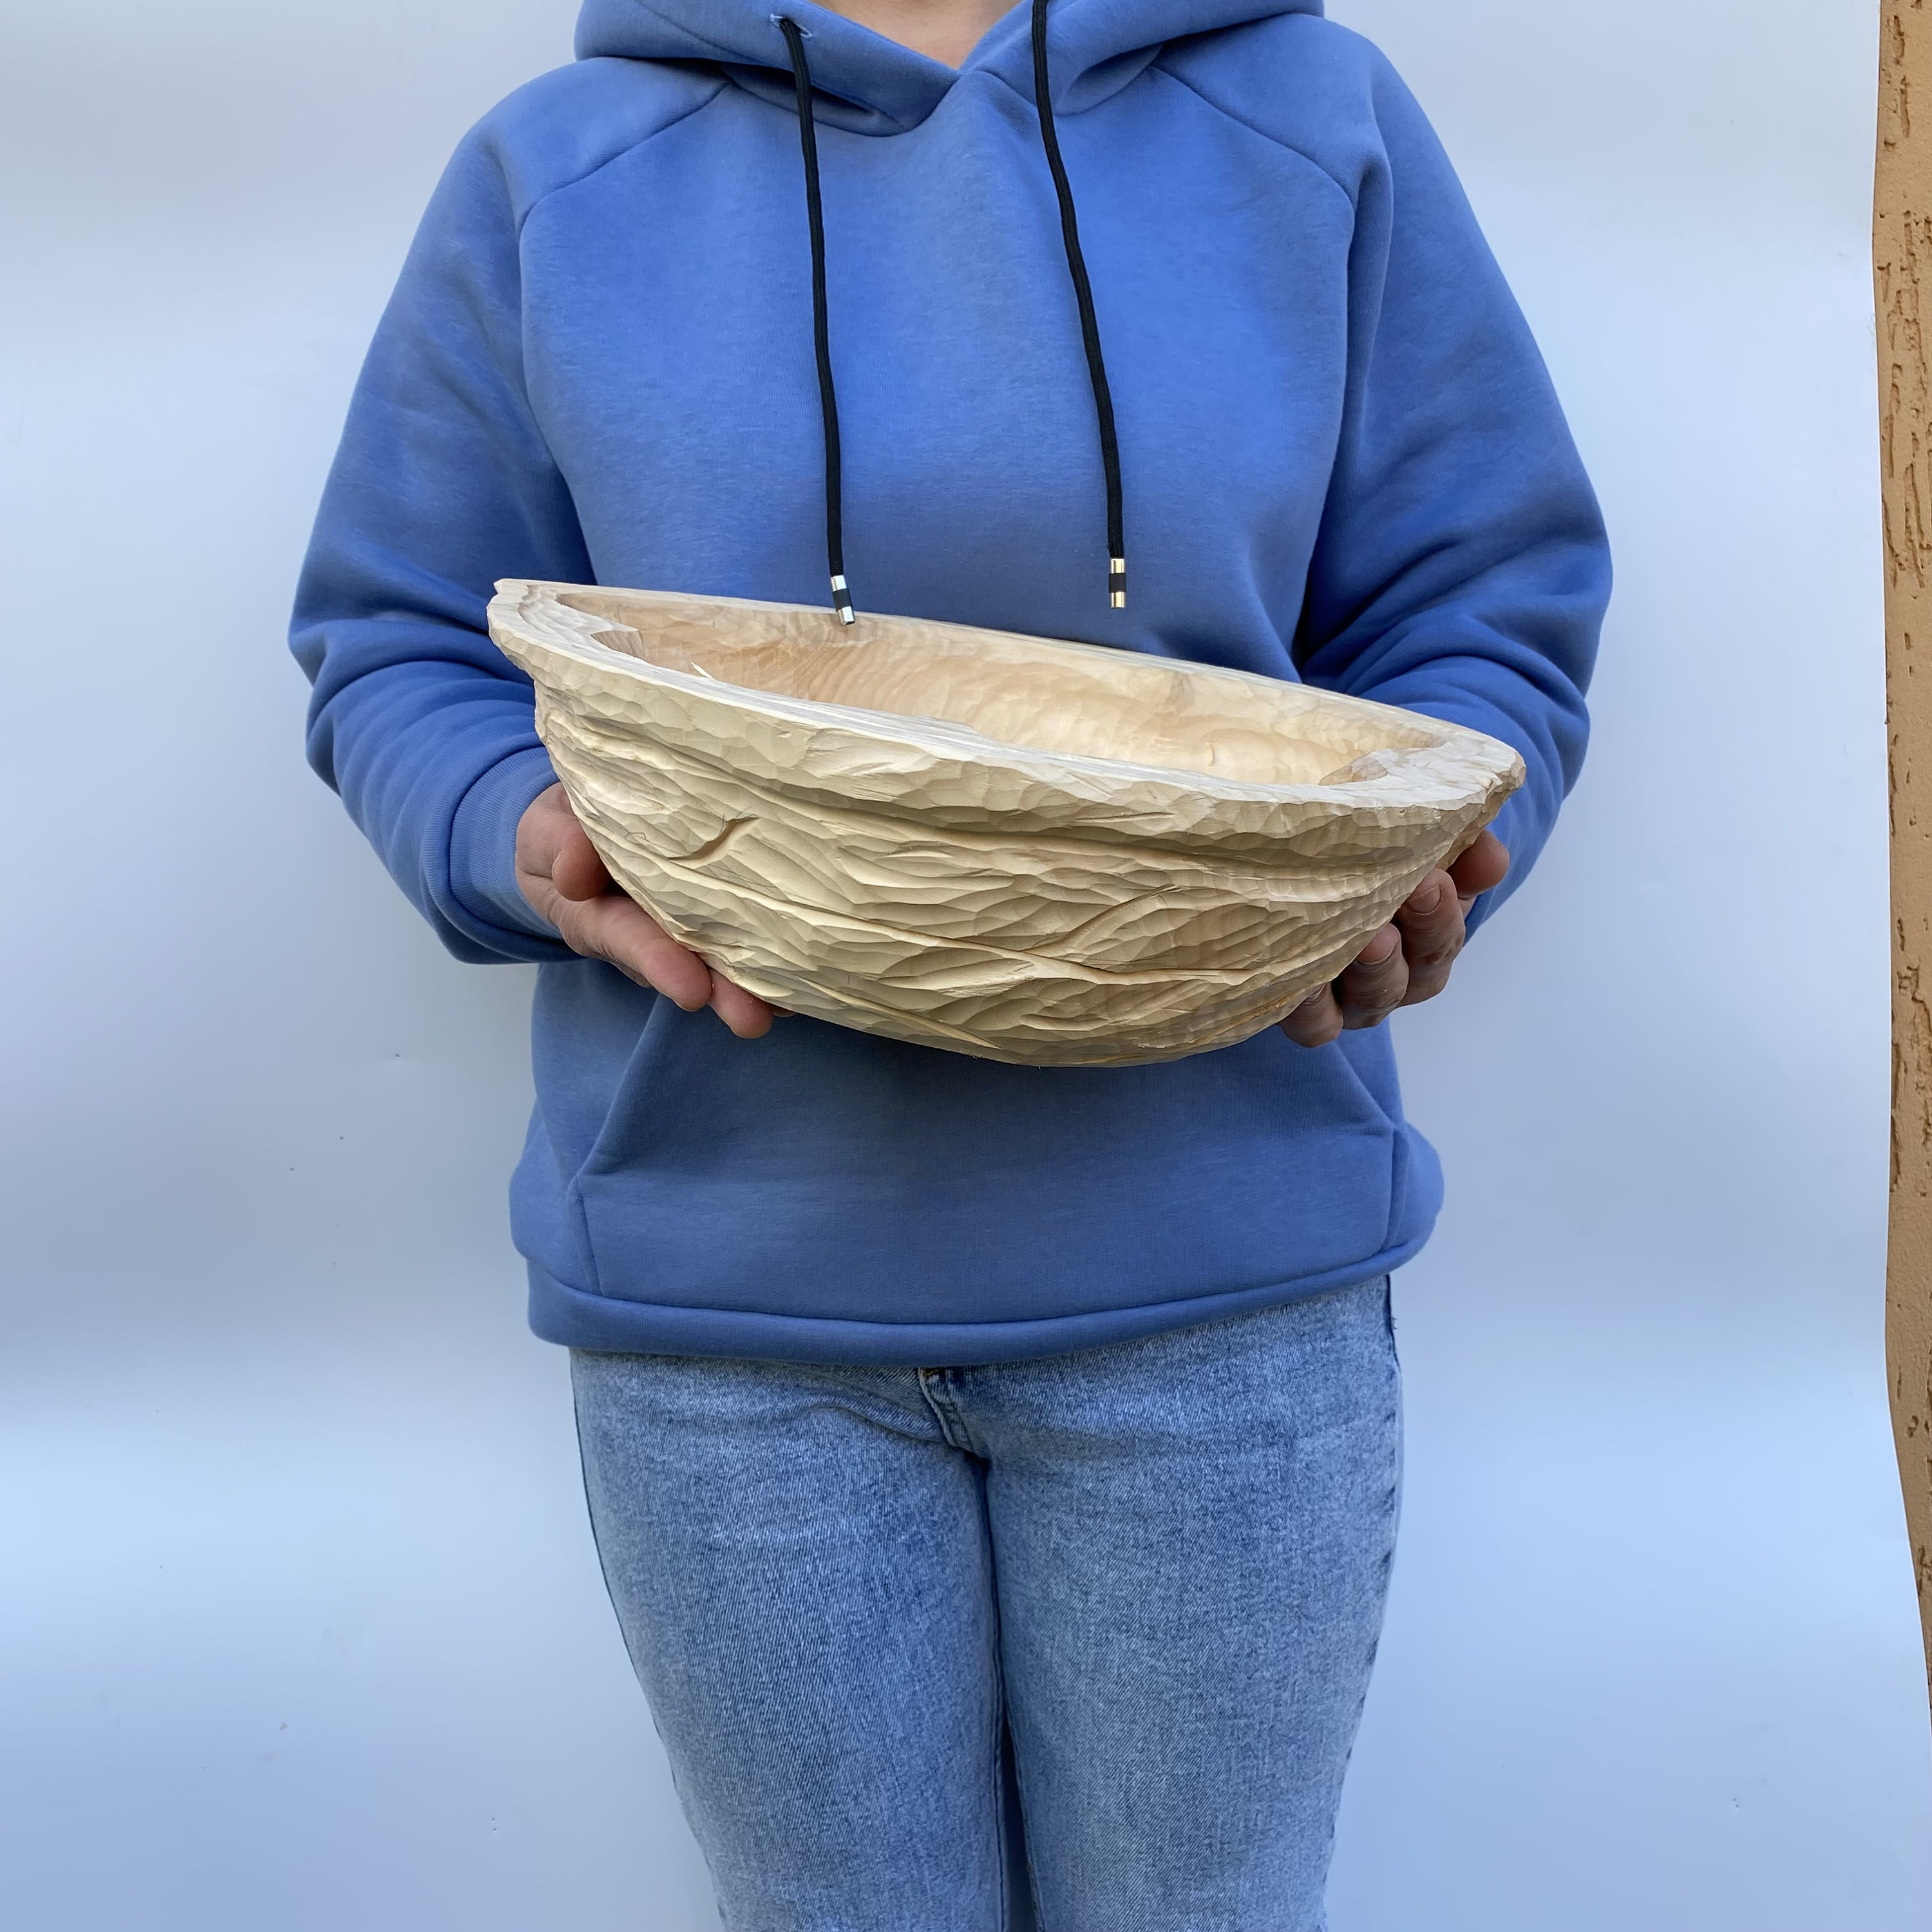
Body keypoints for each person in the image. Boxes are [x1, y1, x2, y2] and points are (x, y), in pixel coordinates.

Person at [292, 0, 1608, 1921]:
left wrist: (1429, 863)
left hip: (1220, 1305)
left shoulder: (1311, 120)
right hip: (734, 1331)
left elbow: (1482, 595)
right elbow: (397, 636)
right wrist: (537, 839)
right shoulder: (558, 172)